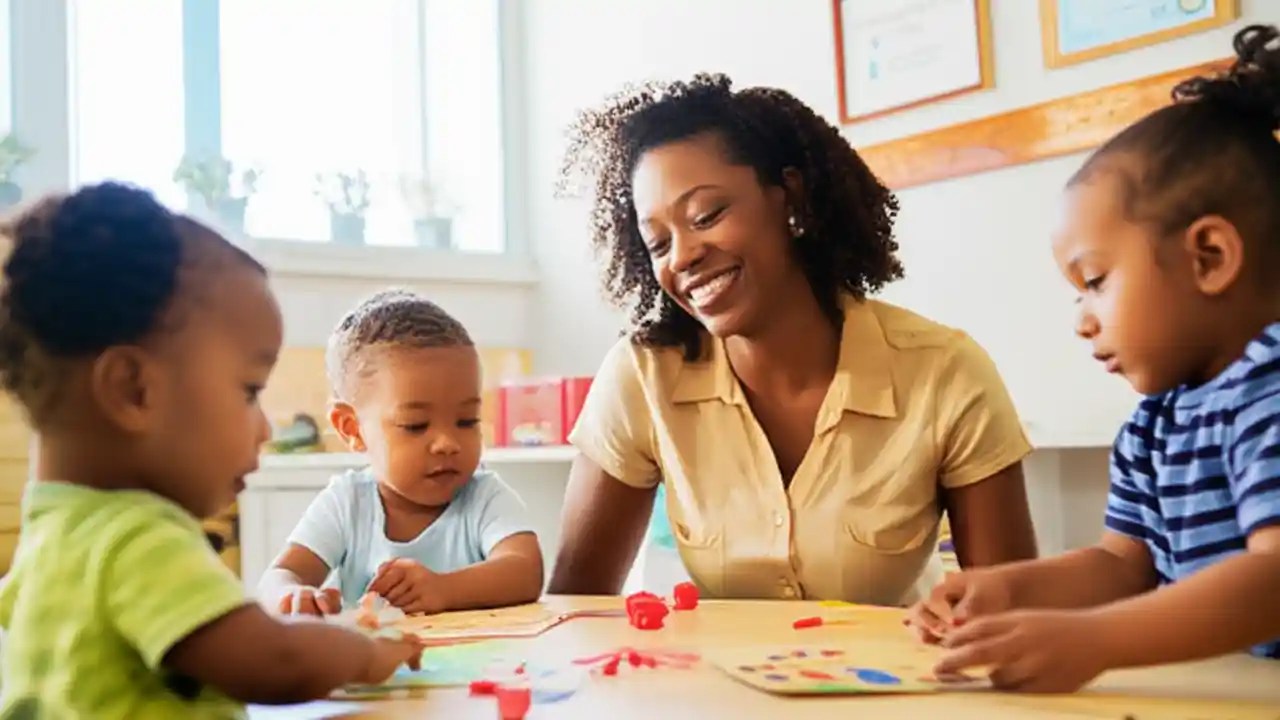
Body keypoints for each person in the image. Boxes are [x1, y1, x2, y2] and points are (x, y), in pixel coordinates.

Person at [547, 73, 1038, 606]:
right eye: (659, 242)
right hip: (716, 687)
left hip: (897, 683)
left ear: (791, 197)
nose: (683, 257)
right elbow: (577, 606)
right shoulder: (643, 375)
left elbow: (1017, 611)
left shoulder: (946, 372)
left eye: (707, 215)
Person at [908, 25, 1280, 693]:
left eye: (1096, 282)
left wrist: (1099, 639)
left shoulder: (1270, 386)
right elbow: (1120, 564)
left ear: (1210, 258)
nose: (1082, 322)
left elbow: (1272, 578)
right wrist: (1005, 589)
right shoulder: (1154, 421)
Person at [0, 183, 420, 718]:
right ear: (133, 390)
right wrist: (363, 652)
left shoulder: (50, 539)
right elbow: (275, 660)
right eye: (248, 391)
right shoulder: (135, 539)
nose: (266, 428)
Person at [258, 290, 543, 616]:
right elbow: (277, 577)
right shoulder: (347, 503)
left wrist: (443, 589)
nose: (447, 443)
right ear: (352, 428)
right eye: (416, 425)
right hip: (388, 667)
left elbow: (526, 571)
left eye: (467, 421)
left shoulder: (483, 497)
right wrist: (292, 595)